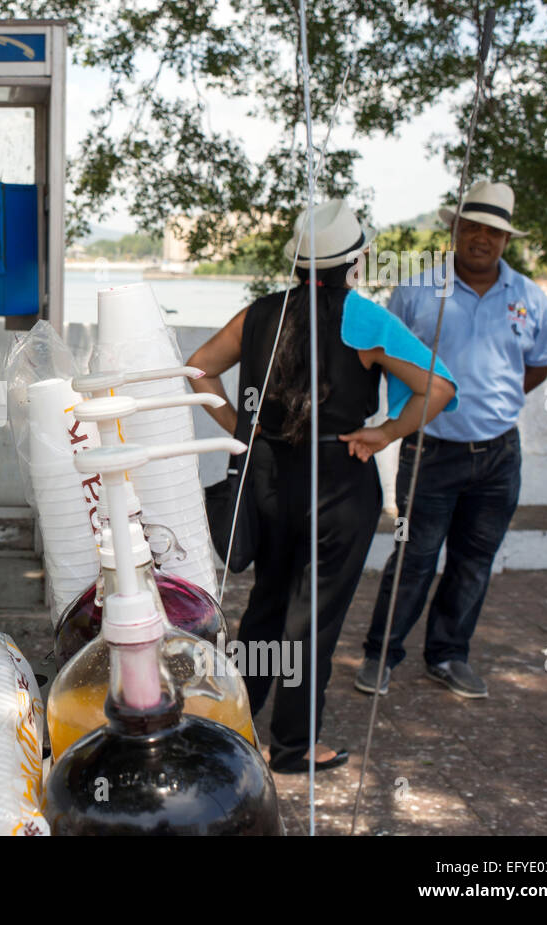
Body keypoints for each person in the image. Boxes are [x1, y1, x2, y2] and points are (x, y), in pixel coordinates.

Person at [187, 200, 458, 773]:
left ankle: (230, 728)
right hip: (339, 482)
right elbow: (438, 388)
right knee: (313, 618)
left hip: (267, 479)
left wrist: (242, 425)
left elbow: (200, 368)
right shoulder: (365, 319)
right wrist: (385, 433)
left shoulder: (259, 314)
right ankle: (292, 747)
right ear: (356, 261)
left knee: (266, 608)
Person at [356, 181, 547, 700]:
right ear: (455, 230)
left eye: (493, 231)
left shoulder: (531, 298)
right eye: (472, 227)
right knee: (414, 558)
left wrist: (494, 401)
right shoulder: (417, 291)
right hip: (430, 451)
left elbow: (537, 367)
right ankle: (380, 655)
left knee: (473, 562)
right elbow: (386, 361)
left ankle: (448, 655)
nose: (481, 238)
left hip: (499, 455)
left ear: (506, 241)